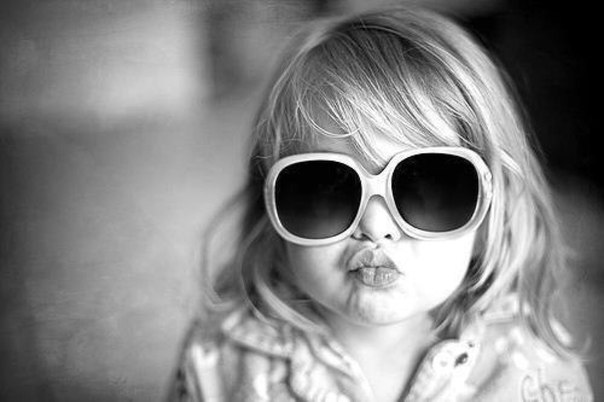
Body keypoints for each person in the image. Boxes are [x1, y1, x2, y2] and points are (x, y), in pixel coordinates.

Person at [168, 5, 593, 401]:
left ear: (491, 215)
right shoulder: (221, 361)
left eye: (428, 186)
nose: (376, 226)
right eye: (325, 187)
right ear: (273, 212)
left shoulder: (531, 369)